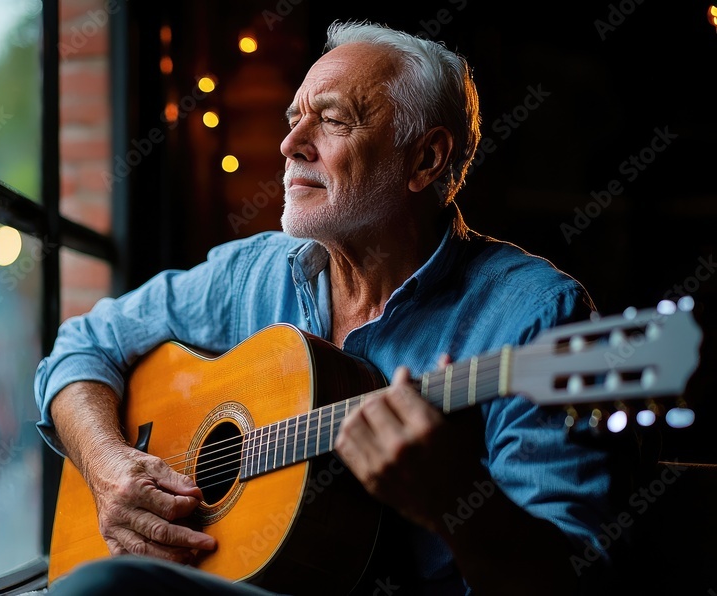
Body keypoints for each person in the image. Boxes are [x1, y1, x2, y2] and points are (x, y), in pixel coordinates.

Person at [35, 19, 619, 595]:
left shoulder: (536, 317)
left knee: (109, 586)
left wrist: (455, 500)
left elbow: (570, 581)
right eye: (294, 119)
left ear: (426, 160)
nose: (290, 144)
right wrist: (108, 464)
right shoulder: (252, 271)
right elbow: (82, 344)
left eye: (333, 118)